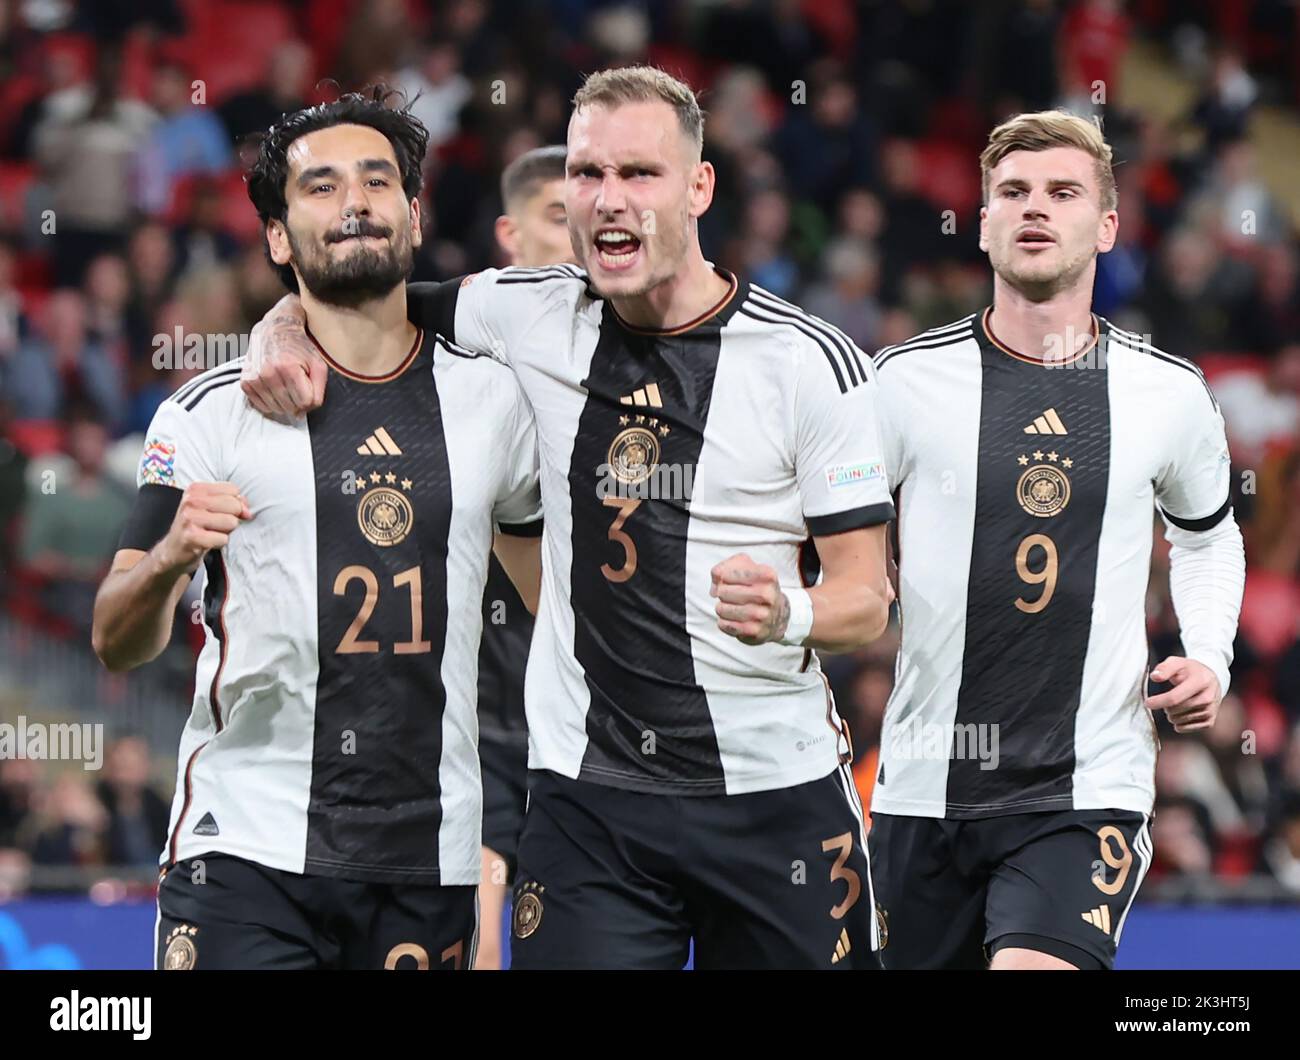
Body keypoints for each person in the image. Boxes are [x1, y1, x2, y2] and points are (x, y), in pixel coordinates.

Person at [241, 66, 894, 969]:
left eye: (640, 174)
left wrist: (794, 612)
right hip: (591, 811)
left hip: (773, 799)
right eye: (588, 175)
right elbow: (355, 302)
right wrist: (274, 330)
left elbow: (868, 598)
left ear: (699, 186)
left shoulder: (809, 363)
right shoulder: (525, 314)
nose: (608, 200)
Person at [92, 90, 543, 970]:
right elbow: (116, 637)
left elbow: (548, 600)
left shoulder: (497, 402)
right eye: (322, 187)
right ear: (276, 236)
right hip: (246, 849)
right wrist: (171, 558)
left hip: (430, 856)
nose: (354, 204)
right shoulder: (207, 416)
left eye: (378, 181)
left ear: (413, 214)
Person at [868, 110, 1246, 970]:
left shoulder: (1167, 394)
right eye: (1013, 192)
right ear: (984, 222)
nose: (1035, 208)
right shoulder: (901, 384)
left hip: (1086, 789)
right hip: (923, 785)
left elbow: (1208, 538)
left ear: (1106, 226)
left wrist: (1210, 657)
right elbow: (836, 542)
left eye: (1063, 192)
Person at [474, 143, 573, 970]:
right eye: (555, 217)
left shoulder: (639, 365)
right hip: (473, 703)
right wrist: (276, 325)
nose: (579, 232)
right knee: (475, 902)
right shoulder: (463, 357)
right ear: (510, 233)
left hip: (591, 708)